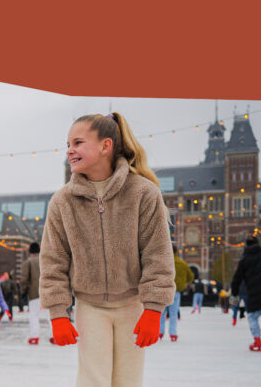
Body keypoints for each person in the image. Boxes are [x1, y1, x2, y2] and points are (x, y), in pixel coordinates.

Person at [40, 112, 175, 387]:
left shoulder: (143, 193)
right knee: (93, 381)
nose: (70, 150)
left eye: (78, 142)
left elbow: (158, 254)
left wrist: (153, 309)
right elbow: (53, 260)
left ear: (106, 146)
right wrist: (58, 313)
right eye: (67, 144)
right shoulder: (63, 201)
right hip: (90, 306)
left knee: (128, 380)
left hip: (132, 304)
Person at [161, 245, 194, 342]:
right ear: (176, 252)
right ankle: (173, 334)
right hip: (176, 291)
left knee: (161, 313)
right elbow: (191, 276)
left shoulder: (163, 262)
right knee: (173, 314)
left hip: (164, 290)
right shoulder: (182, 263)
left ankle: (160, 332)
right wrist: (185, 282)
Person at [20, 242, 50, 345]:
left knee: (33, 315)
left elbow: (24, 279)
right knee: (50, 315)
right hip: (47, 291)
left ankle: (35, 336)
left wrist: (22, 291)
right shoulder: (46, 261)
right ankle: (55, 336)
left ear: (30, 251)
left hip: (34, 293)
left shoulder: (28, 262)